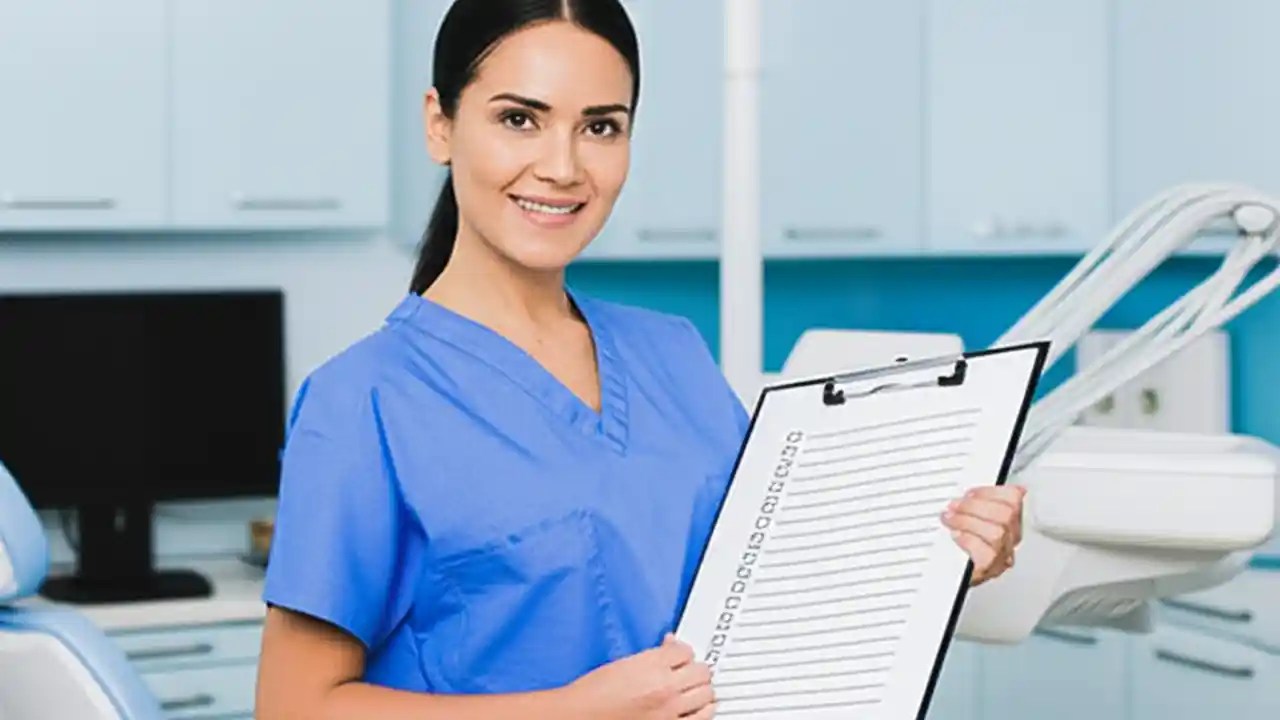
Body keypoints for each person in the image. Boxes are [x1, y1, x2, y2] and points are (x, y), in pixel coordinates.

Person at [254, 1, 1027, 718]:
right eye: (520, 119)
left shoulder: (672, 353)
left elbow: (764, 595)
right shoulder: (364, 401)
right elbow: (293, 708)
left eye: (600, 127)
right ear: (440, 124)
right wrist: (567, 713)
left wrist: (946, 556)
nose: (562, 166)